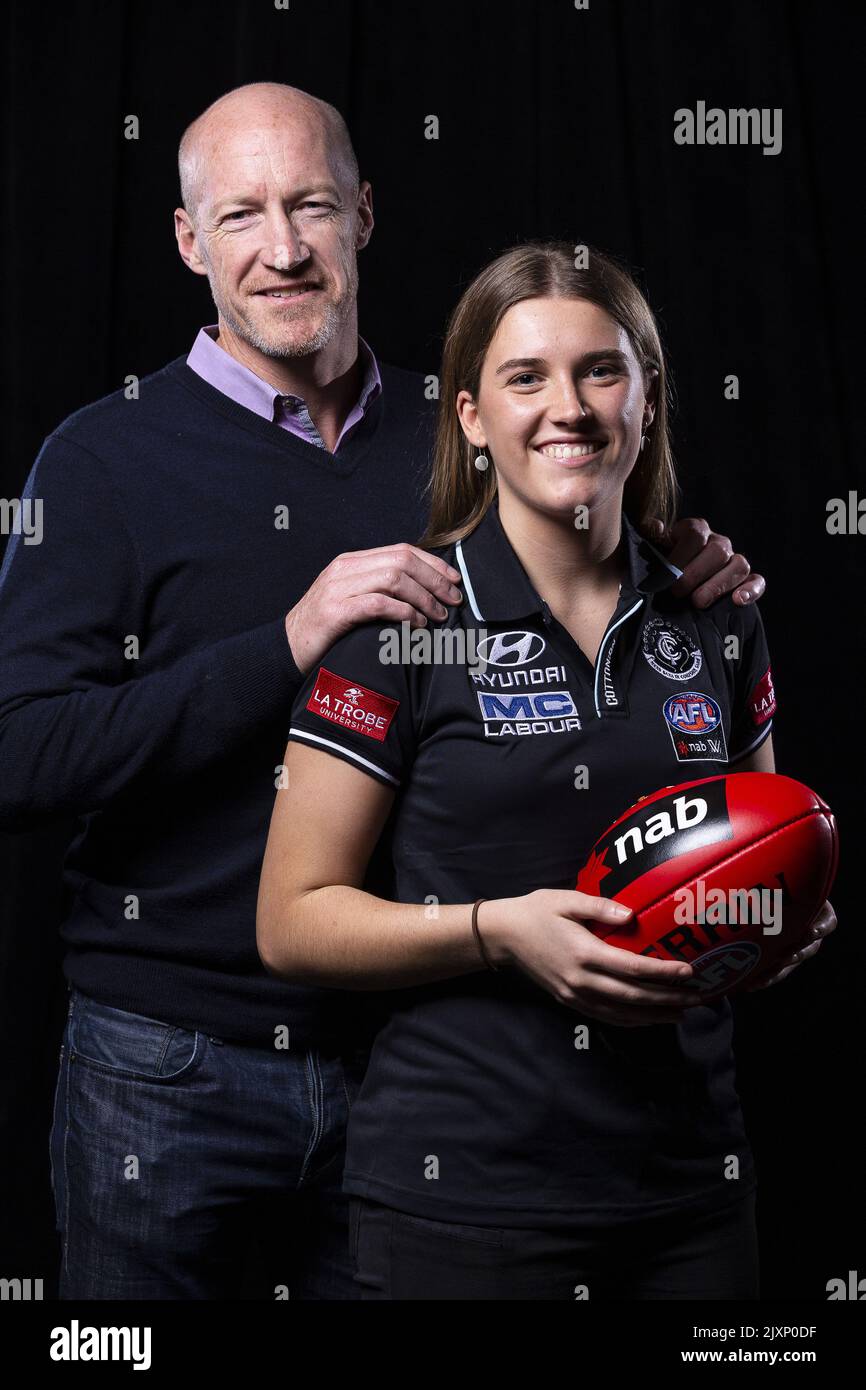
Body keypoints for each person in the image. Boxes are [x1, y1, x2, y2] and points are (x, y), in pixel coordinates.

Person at [0, 80, 765, 1301]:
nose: (284, 247)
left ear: (364, 212)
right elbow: (21, 758)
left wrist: (681, 567)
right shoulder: (101, 460)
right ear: (193, 244)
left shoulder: (467, 427)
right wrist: (287, 641)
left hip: (410, 1063)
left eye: (310, 204)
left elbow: (591, 558)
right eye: (241, 216)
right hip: (172, 1060)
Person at [257, 240, 837, 1301]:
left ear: (647, 399)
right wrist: (496, 928)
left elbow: (763, 840)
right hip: (464, 1203)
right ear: (473, 418)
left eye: (599, 371)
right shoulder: (402, 626)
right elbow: (290, 919)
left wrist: (781, 916)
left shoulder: (715, 617)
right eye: (525, 377)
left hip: (687, 1194)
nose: (566, 406)